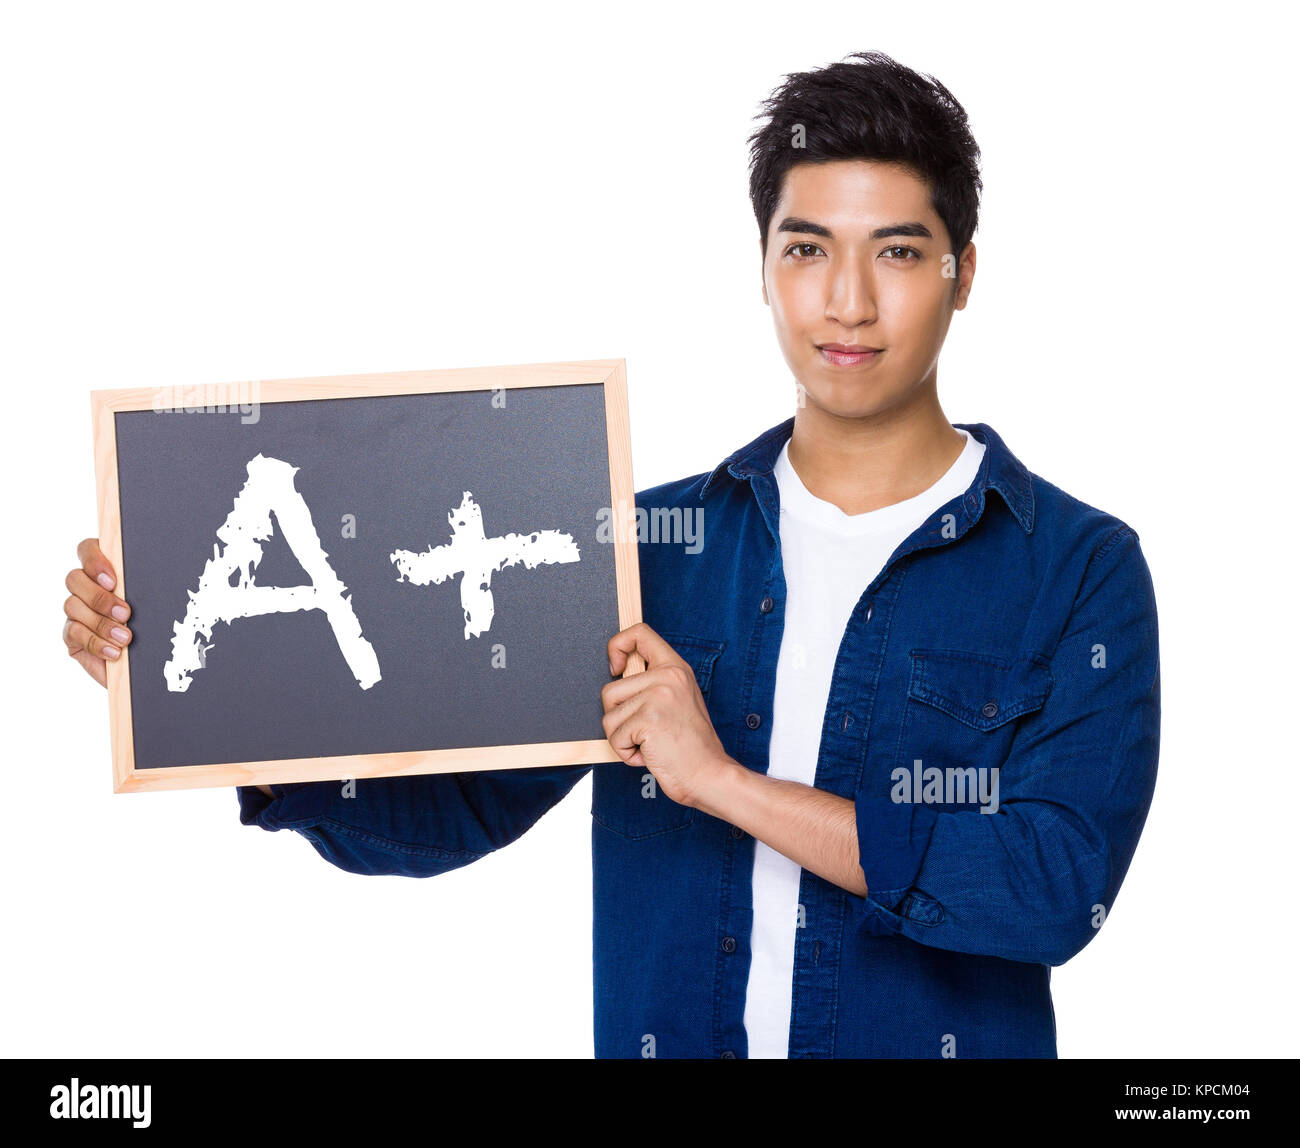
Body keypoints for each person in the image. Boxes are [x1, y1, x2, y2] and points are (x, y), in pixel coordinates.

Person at [62, 51, 1160, 1058]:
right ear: (764, 267)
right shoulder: (642, 547)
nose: (847, 301)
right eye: (807, 248)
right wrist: (198, 696)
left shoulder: (1077, 569)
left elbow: (1050, 890)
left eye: (899, 253)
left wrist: (720, 781)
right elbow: (455, 809)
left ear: (963, 273)